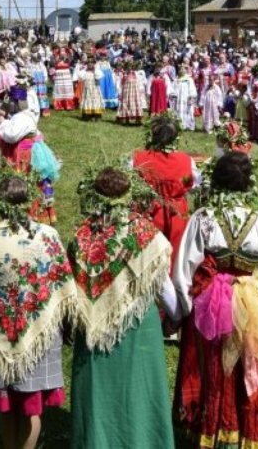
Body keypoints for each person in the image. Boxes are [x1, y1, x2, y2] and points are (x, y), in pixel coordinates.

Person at [172, 152, 258, 449]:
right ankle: (245, 430)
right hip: (252, 302)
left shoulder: (204, 218)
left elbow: (184, 268)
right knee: (248, 367)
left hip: (211, 306)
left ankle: (212, 429)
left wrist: (186, 310)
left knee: (214, 368)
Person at [69, 166, 180, 449]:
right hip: (137, 327)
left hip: (92, 331)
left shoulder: (82, 235)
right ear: (128, 194)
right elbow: (162, 284)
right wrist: (177, 316)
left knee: (99, 395)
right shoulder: (144, 232)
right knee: (139, 392)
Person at [0, 173, 76, 449]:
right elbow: (62, 277)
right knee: (31, 402)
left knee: (7, 401)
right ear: (28, 202)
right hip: (39, 329)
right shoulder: (48, 235)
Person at [132, 112, 200, 267]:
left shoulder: (139, 158)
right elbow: (195, 185)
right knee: (176, 253)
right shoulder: (186, 160)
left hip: (148, 212)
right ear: (175, 138)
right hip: (177, 214)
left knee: (148, 254)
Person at [170, 64, 198, 131]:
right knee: (177, 111)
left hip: (186, 99)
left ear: (185, 70)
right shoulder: (176, 79)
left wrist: (191, 96)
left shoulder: (188, 79)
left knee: (187, 111)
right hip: (178, 99)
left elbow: (192, 89)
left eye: (183, 69)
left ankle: (187, 125)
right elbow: (172, 88)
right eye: (180, 69)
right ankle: (178, 124)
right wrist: (173, 94)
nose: (181, 70)